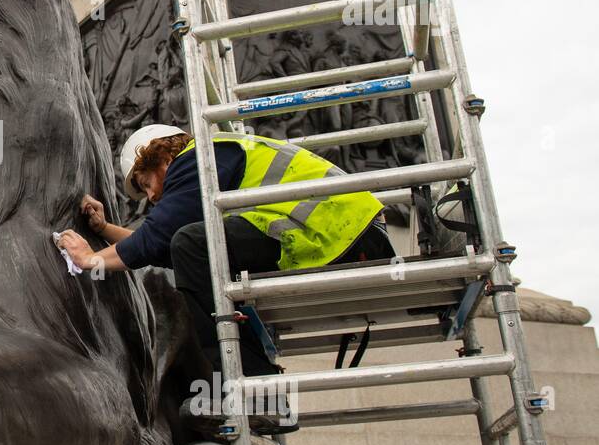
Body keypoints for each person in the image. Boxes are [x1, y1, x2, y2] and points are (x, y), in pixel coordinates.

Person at [58, 124, 393, 378]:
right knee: (192, 248)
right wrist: (103, 231)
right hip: (342, 231)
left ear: (161, 155)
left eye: (146, 183)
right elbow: (164, 248)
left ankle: (248, 380)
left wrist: (91, 259)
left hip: (340, 232)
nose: (152, 197)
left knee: (191, 245)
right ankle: (259, 386)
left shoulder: (197, 158)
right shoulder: (221, 156)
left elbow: (158, 240)